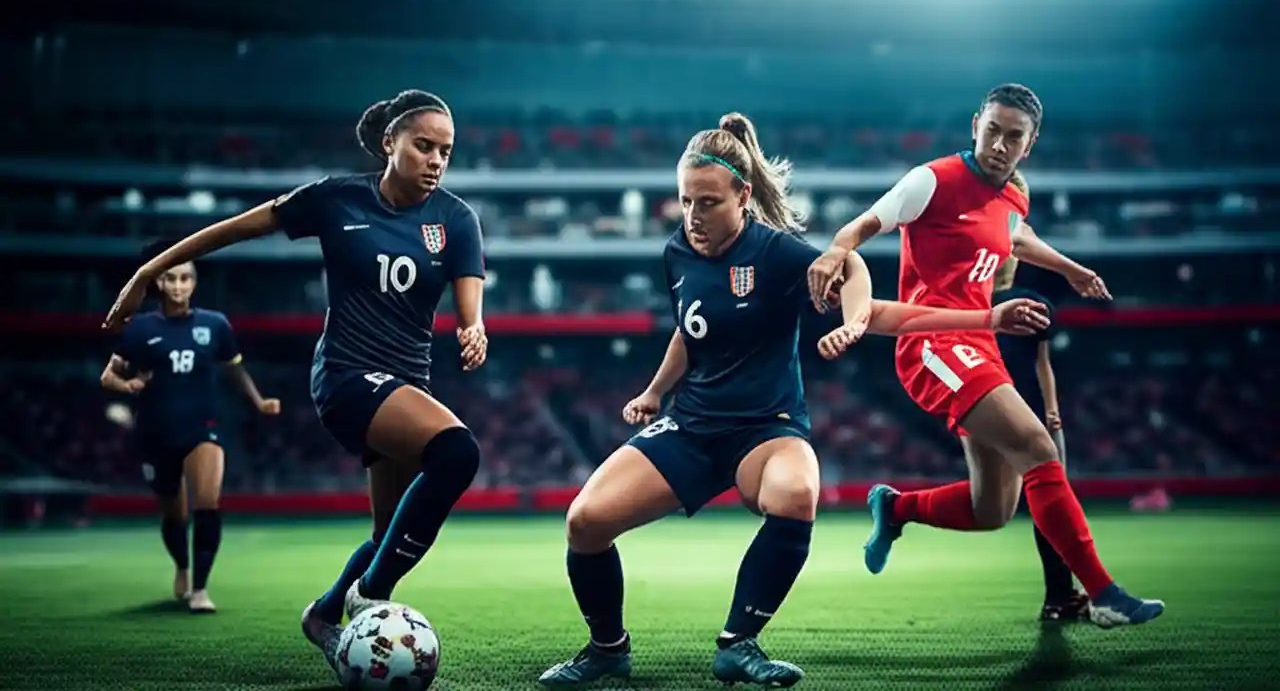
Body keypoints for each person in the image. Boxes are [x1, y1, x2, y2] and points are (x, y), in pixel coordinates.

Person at [538, 113, 1051, 688]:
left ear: (744, 196)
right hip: (691, 427)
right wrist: (656, 391)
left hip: (767, 428)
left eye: (707, 202)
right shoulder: (677, 253)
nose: (693, 216)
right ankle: (608, 649)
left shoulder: (778, 254)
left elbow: (854, 270)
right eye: (685, 201)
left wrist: (866, 319)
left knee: (797, 492)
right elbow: (689, 329)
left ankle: (739, 644)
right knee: (584, 523)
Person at [102, 89, 489, 666]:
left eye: (446, 152)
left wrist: (473, 328)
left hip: (409, 385)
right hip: (346, 376)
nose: (436, 160)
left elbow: (468, 305)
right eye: (424, 146)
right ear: (391, 144)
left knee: (388, 536)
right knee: (458, 453)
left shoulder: (457, 220)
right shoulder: (337, 199)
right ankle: (372, 596)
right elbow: (234, 229)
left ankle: (326, 612)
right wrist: (148, 270)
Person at [806, 83, 1164, 627]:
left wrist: (1071, 268)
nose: (999, 143)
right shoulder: (933, 180)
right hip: (932, 344)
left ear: (1030, 143)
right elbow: (864, 224)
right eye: (992, 129)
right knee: (1038, 446)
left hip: (980, 343)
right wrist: (838, 249)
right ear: (976, 124)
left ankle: (895, 507)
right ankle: (1102, 593)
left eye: (1013, 136)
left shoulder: (1013, 197)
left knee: (992, 509)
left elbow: (1017, 239)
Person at [101, 258, 280, 613]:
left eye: (185, 278)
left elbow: (235, 369)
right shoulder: (139, 329)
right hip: (155, 431)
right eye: (171, 279)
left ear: (194, 284)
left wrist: (259, 402)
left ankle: (200, 588)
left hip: (204, 427)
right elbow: (107, 376)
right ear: (159, 284)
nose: (179, 285)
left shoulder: (215, 325)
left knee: (208, 504)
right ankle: (182, 565)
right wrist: (129, 384)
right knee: (175, 516)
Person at [991, 247, 1089, 621]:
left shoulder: (1030, 303)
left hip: (1017, 410)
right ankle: (1059, 595)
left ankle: (1060, 594)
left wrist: (1051, 411)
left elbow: (1041, 364)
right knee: (1038, 505)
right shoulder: (975, 307)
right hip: (1011, 411)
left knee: (1043, 505)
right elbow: (1042, 365)